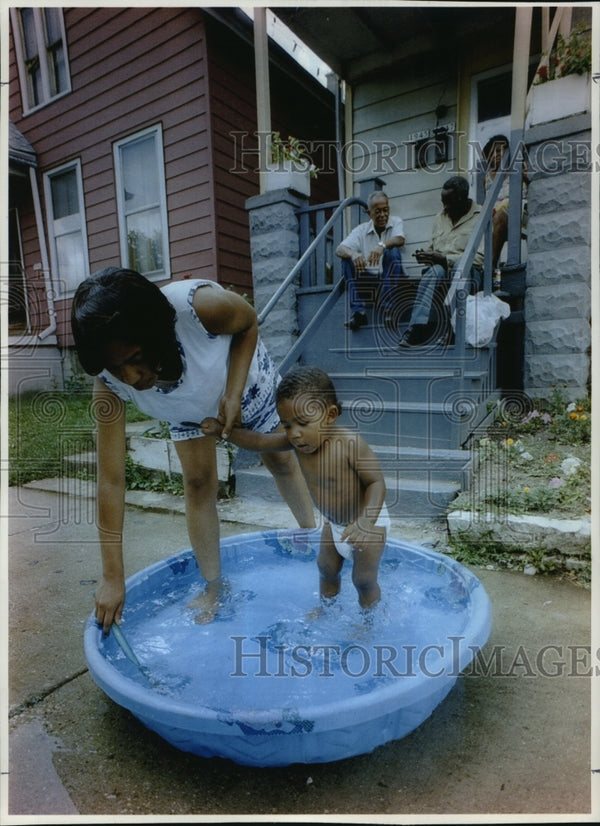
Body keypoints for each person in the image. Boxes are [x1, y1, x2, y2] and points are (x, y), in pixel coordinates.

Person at [71, 268, 316, 632]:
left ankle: (311, 540)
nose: (132, 378)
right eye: (116, 366)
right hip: (185, 410)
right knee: (198, 484)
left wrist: (232, 394)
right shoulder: (109, 383)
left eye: (136, 357)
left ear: (154, 332)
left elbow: (247, 321)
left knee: (279, 459)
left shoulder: (199, 307)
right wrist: (111, 576)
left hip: (242, 381)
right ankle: (214, 585)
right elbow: (110, 479)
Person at [201, 365, 388, 610]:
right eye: (287, 425)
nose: (295, 434)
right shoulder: (296, 443)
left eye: (303, 423)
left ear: (330, 415)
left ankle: (369, 623)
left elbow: (376, 482)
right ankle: (327, 610)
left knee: (363, 579)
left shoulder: (349, 444)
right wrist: (223, 433)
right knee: (326, 569)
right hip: (334, 524)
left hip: (368, 522)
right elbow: (259, 442)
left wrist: (365, 521)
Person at [398, 175, 484, 347]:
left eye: (449, 202)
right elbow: (433, 247)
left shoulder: (480, 215)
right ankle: (416, 328)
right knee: (436, 271)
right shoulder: (440, 217)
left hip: (469, 272)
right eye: (443, 202)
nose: (445, 207)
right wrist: (427, 255)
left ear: (463, 199)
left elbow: (480, 258)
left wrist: (445, 258)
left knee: (460, 268)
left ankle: (454, 329)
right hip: (441, 272)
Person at [335, 191, 406, 330]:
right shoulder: (361, 230)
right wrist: (353, 254)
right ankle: (358, 312)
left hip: (393, 279)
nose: (382, 215)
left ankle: (389, 310)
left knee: (393, 251)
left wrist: (382, 245)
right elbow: (339, 249)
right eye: (377, 211)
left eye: (385, 210)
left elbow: (400, 239)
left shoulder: (396, 221)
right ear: (369, 213)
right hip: (371, 281)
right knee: (346, 260)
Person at [482, 134, 528, 269]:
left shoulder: (518, 168)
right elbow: (487, 202)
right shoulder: (487, 178)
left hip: (519, 212)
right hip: (495, 216)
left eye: (498, 150)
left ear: (507, 150)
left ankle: (490, 265)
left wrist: (525, 174)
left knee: (500, 216)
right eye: (490, 154)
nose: (495, 156)